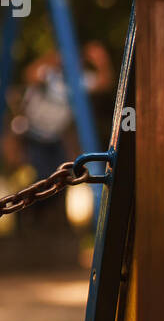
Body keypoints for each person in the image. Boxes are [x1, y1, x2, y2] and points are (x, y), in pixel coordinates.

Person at [12, 42, 112, 227]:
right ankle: (25, 214)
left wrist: (100, 61)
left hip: (54, 138)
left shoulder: (79, 81)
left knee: (62, 177)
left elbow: (104, 83)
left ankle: (47, 220)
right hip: (34, 135)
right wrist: (53, 57)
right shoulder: (49, 75)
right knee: (42, 176)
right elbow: (29, 74)